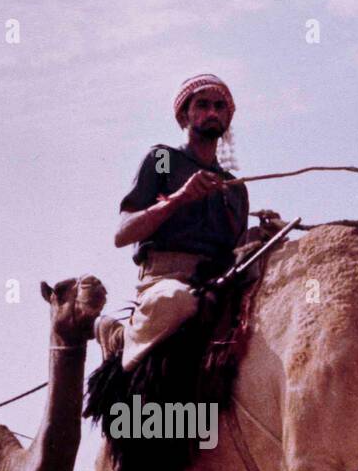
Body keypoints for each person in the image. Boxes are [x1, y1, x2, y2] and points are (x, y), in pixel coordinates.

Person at [100, 73, 250, 370]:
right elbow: (123, 233)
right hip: (166, 279)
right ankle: (120, 339)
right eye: (203, 105)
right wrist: (180, 197)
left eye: (220, 107)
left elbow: (238, 250)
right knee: (177, 300)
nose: (212, 113)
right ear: (184, 114)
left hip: (219, 283)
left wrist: (261, 236)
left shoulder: (235, 186)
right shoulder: (164, 159)